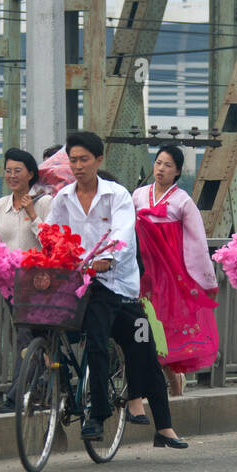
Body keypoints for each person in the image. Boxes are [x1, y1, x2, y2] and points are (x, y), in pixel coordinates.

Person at [47, 132, 185, 447]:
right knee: (52, 325)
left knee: (142, 344)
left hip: (114, 285)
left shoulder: (117, 195)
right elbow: (51, 233)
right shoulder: (63, 198)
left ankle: (118, 415)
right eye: (73, 160)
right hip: (74, 283)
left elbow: (123, 234)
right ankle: (61, 394)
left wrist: (106, 259)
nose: (78, 166)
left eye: (84, 159)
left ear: (98, 160)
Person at [132, 146, 220, 398]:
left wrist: (205, 280)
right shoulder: (138, 195)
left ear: (178, 171)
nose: (160, 169)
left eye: (167, 165)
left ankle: (168, 380)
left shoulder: (182, 201)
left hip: (170, 277)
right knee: (144, 327)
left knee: (164, 329)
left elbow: (197, 243)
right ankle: (167, 380)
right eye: (158, 163)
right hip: (142, 274)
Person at [0, 148, 53, 407]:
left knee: (27, 337)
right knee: (30, 338)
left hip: (40, 282)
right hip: (11, 282)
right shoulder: (0, 205)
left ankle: (15, 397)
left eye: (18, 171)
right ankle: (43, 385)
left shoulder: (44, 202)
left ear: (31, 174)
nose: (12, 176)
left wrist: (33, 214)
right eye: (8, 170)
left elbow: (51, 240)